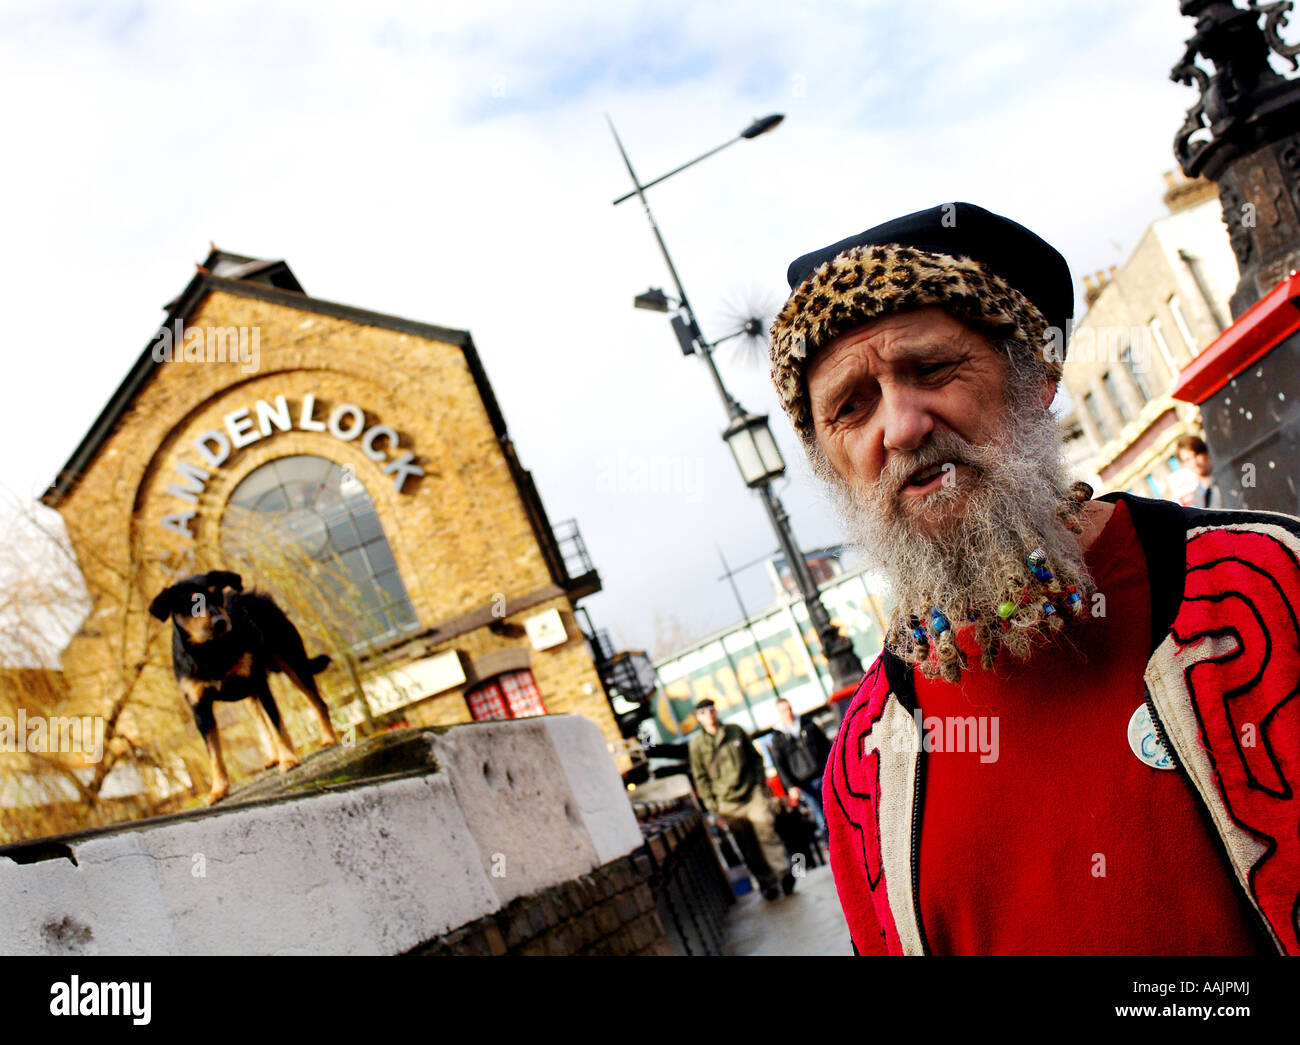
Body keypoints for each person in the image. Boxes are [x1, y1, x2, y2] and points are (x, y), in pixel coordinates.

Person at [767, 202, 1300, 955]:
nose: (903, 425)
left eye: (931, 369)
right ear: (831, 461)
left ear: (1034, 377)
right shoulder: (864, 761)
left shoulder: (1267, 585)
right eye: (851, 407)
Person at [687, 698, 795, 900]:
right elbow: (700, 779)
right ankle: (767, 883)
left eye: (711, 710)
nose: (709, 715)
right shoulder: (697, 745)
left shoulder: (734, 731)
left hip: (751, 793)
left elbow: (755, 759)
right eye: (703, 712)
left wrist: (759, 784)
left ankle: (784, 874)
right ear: (698, 717)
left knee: (767, 832)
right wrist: (714, 807)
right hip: (727, 803)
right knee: (747, 846)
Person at [767, 698, 832, 837]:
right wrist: (790, 786)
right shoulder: (778, 737)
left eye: (789, 708)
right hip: (803, 782)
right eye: (784, 711)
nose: (788, 713)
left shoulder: (807, 724)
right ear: (779, 713)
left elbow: (826, 746)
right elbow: (780, 764)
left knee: (834, 811)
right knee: (821, 820)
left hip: (822, 774)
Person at [1175, 433, 1223, 508]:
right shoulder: (1197, 495)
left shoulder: (1226, 477)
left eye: (1196, 455)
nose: (1194, 463)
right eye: (1187, 460)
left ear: (1206, 453)